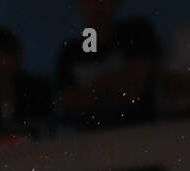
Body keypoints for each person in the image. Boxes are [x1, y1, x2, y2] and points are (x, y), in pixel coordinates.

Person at [56, 0, 161, 130]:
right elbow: (70, 104)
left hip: (139, 132)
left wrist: (91, 92)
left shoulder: (136, 32)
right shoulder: (69, 53)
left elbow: (134, 89)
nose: (97, 5)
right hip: (89, 140)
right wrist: (108, 84)